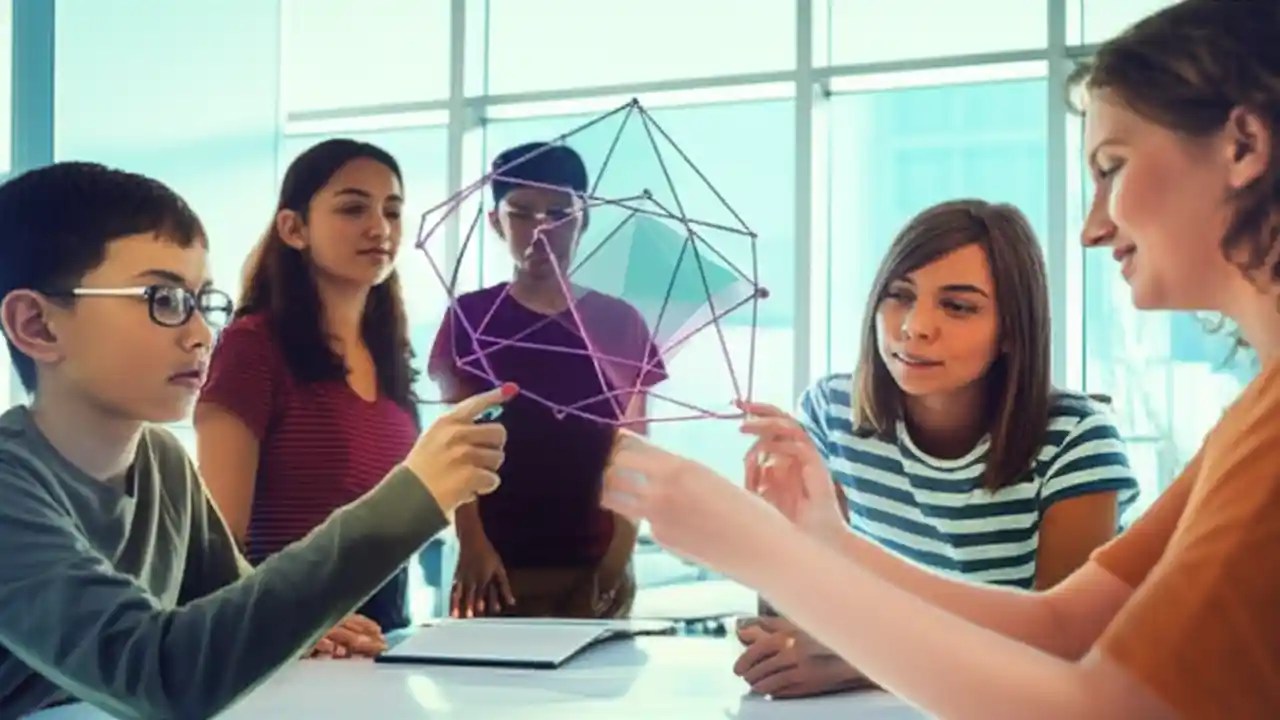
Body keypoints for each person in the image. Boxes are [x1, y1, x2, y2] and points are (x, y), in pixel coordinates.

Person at [604, 1, 1280, 716]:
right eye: (900, 297)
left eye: (1112, 167)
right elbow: (1060, 626)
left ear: (1243, 146)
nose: (1092, 227)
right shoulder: (1251, 416)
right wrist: (822, 540)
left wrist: (760, 547)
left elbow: (1098, 704)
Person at [0, 161, 512, 718]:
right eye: (162, 299)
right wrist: (412, 499)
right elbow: (162, 672)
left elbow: (233, 602)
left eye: (202, 302)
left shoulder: (162, 460)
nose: (201, 334)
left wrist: (303, 626)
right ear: (37, 326)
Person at [733, 199, 1138, 698]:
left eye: (958, 306)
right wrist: (772, 527)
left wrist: (860, 660)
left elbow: (1065, 648)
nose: (915, 326)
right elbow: (795, 619)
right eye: (899, 295)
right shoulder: (832, 412)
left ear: (1012, 331)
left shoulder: (1077, 439)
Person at [429, 141, 667, 619]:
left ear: (584, 219)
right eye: (521, 213)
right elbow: (457, 445)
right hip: (495, 565)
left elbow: (634, 447)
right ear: (496, 222)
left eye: (559, 214)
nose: (541, 230)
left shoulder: (620, 322)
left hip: (596, 560)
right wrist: (471, 542)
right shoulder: (471, 317)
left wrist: (621, 555)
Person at [195, 138, 419, 632]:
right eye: (353, 208)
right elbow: (216, 544)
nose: (380, 228)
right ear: (293, 229)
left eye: (392, 211)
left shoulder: (391, 355)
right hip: (287, 637)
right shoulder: (252, 347)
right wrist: (291, 626)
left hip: (386, 636)